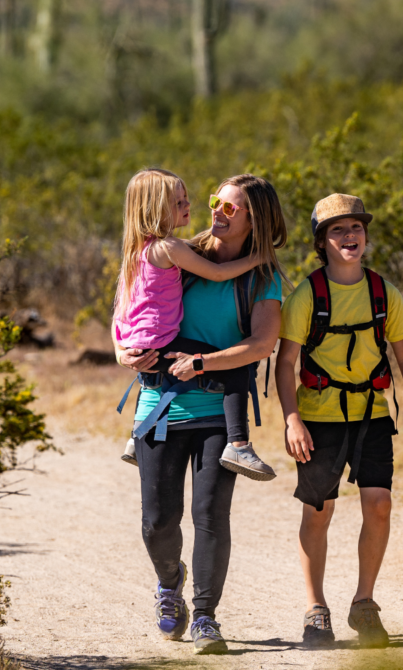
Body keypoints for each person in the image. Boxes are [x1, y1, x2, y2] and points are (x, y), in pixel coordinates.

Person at [114, 173, 289, 654]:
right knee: (157, 522)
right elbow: (126, 313)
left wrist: (203, 363)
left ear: (257, 220)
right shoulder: (176, 254)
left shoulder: (262, 277)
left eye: (231, 208)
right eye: (216, 201)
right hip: (159, 405)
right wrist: (123, 354)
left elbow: (262, 344)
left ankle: (206, 617)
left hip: (218, 408)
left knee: (210, 514)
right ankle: (170, 585)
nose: (216, 211)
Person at [274, 194, 403, 649]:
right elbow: (284, 363)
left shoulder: (384, 292)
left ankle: (364, 603)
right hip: (319, 417)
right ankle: (315, 610)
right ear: (322, 242)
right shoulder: (307, 295)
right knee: (319, 511)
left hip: (372, 414)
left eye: (356, 229)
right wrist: (292, 421)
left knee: (379, 504)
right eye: (337, 231)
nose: (349, 237)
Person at [113, 168, 274, 479]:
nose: (191, 205)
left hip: (143, 341)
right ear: (154, 210)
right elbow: (217, 273)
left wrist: (123, 349)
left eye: (186, 199)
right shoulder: (170, 248)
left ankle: (137, 438)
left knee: (224, 360)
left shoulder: (138, 250)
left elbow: (121, 311)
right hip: (161, 342)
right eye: (178, 202)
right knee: (235, 363)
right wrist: (258, 258)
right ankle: (239, 443)